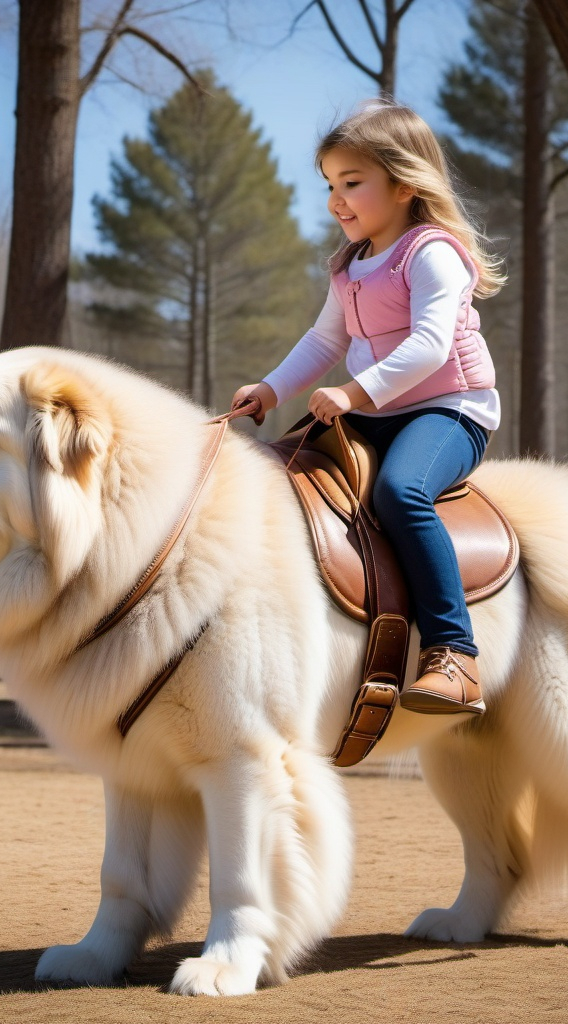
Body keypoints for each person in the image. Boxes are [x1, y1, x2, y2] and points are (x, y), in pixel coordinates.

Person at [232, 101, 505, 716]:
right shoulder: (350, 265)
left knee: (400, 493)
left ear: (405, 184)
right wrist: (271, 389)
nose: (337, 200)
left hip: (448, 410)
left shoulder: (431, 253)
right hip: (375, 413)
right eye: (330, 185)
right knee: (275, 474)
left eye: (352, 183)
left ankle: (454, 653)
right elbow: (324, 341)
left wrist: (352, 394)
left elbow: (431, 346)